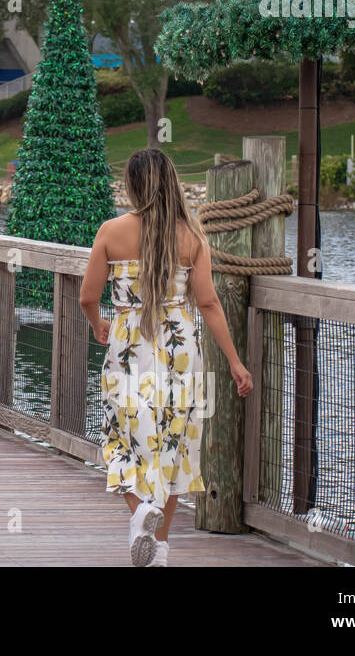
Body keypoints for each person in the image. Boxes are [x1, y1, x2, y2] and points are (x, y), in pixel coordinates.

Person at [79, 147, 253, 566]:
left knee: (122, 439)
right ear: (172, 182)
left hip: (128, 347)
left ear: (133, 186)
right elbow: (210, 304)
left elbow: (87, 296)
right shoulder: (192, 237)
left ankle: (141, 511)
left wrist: (97, 323)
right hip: (180, 350)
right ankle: (158, 550)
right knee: (171, 447)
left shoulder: (111, 231)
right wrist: (234, 361)